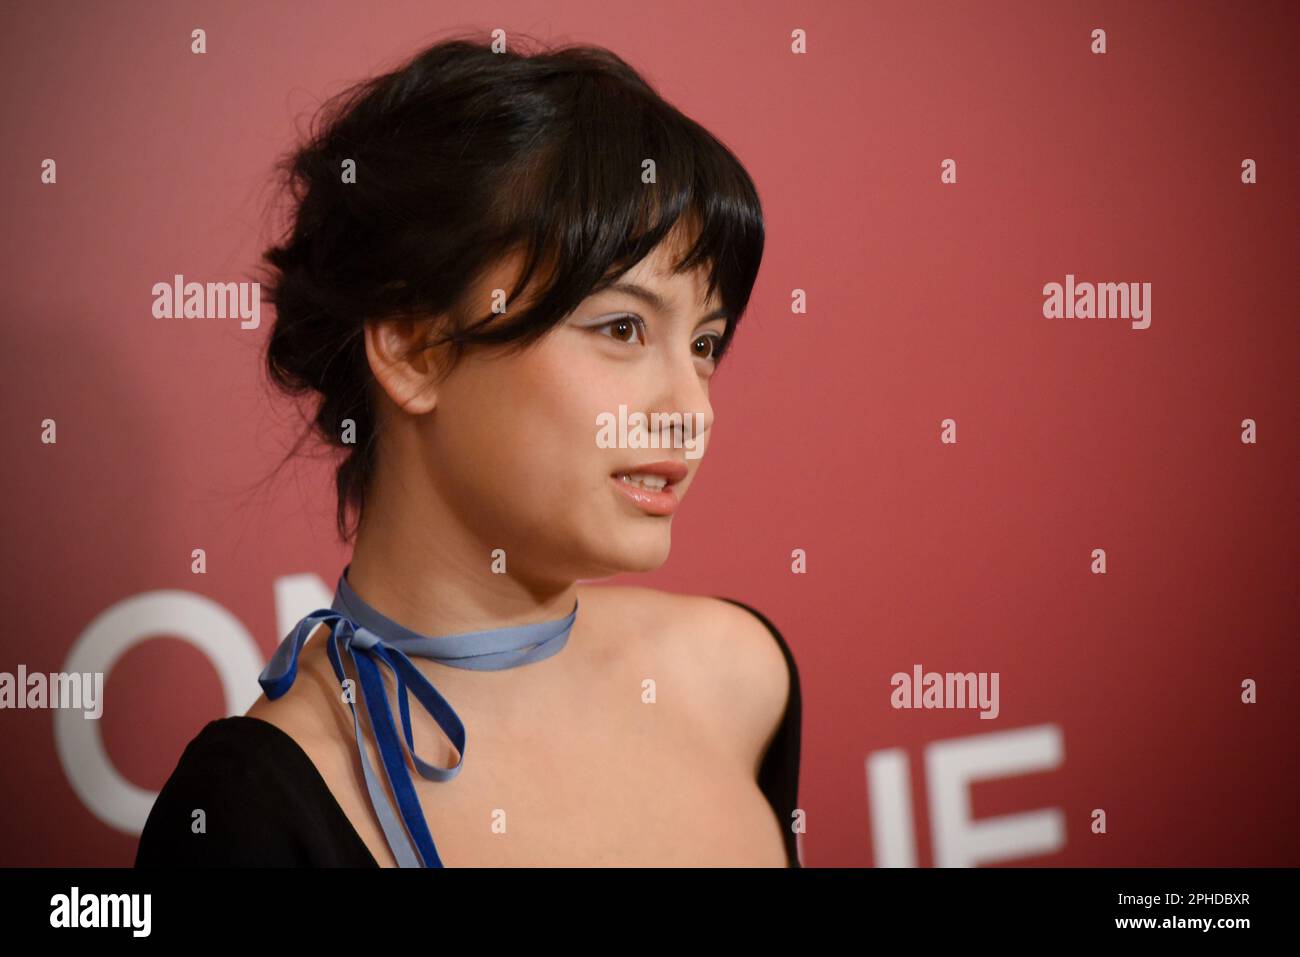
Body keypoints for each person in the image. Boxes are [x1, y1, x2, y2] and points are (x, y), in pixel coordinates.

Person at [135, 33, 801, 868]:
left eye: (706, 345)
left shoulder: (740, 675)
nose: (689, 412)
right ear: (414, 349)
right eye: (623, 327)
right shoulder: (256, 804)